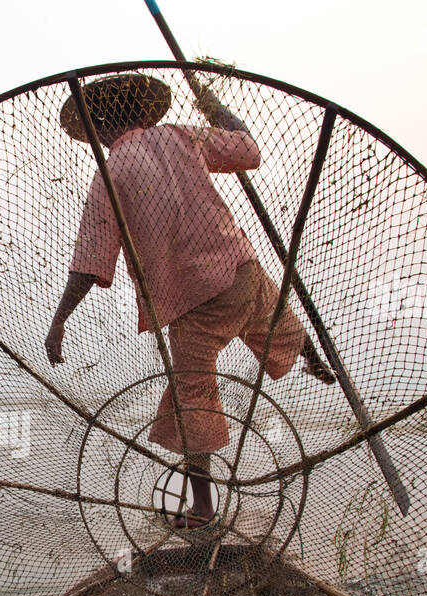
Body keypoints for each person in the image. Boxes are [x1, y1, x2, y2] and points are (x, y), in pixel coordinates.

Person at [46, 74, 334, 527]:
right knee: (273, 317)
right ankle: (310, 355)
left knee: (191, 400)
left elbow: (91, 256)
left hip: (191, 301)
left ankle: (202, 511)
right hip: (240, 272)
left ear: (100, 131)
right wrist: (214, 107)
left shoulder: (111, 172)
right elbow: (247, 147)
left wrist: (61, 318)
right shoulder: (183, 135)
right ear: (144, 113)